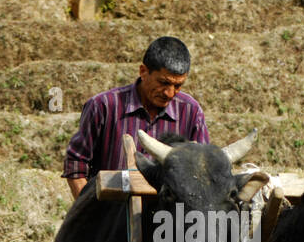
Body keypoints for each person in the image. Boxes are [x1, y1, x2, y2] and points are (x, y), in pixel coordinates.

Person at [63, 36, 209, 199]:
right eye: (163, 83)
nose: (169, 93)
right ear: (143, 72)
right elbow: (76, 165)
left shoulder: (191, 112)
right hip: (110, 215)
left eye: (178, 85)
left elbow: (202, 171)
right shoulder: (104, 106)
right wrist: (90, 215)